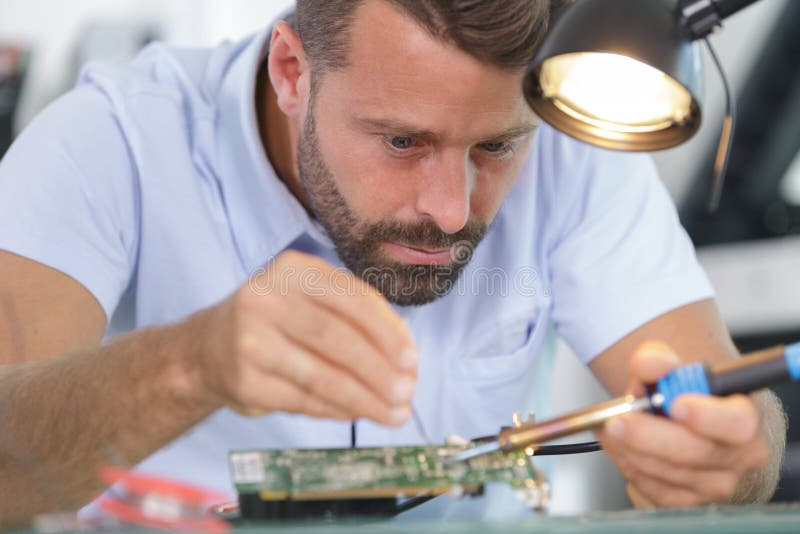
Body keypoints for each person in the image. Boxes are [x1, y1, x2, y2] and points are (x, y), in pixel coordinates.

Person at [0, 0, 786, 525]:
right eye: (402, 141)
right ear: (292, 73)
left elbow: (726, 409)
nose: (449, 210)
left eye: (494, 147)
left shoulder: (573, 136)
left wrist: (735, 453)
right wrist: (189, 364)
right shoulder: (113, 143)